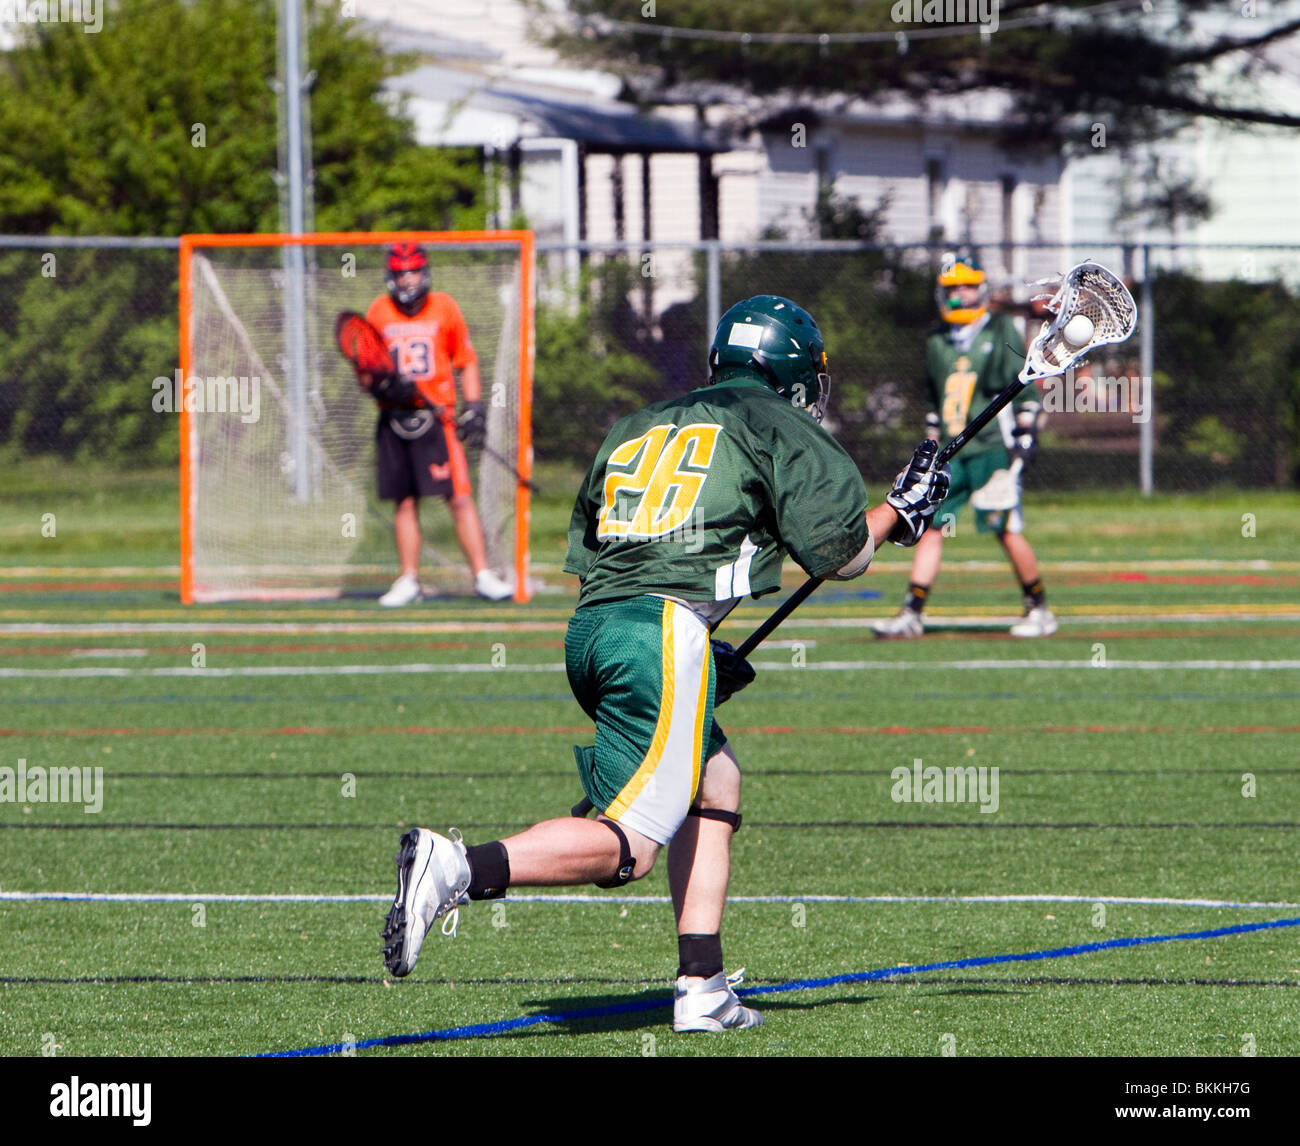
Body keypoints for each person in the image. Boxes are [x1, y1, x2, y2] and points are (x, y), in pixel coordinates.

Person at [379, 296, 950, 1032]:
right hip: (657, 635)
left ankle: (702, 984)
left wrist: (695, 649)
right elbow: (840, 555)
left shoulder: (640, 423)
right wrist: (899, 515)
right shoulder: (777, 421)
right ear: (798, 376)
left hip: (594, 629)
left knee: (716, 777)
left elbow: (628, 555)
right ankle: (456, 866)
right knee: (630, 849)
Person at [873, 250, 1057, 639]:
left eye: (967, 286)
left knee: (1004, 527)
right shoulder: (938, 339)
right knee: (932, 527)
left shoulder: (999, 330)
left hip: (991, 447)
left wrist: (1026, 430)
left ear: (981, 287)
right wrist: (930, 445)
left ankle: (1039, 608)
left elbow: (1022, 388)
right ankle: (912, 613)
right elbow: (933, 401)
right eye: (952, 288)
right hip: (952, 453)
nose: (960, 295)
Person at [365, 242, 513, 605]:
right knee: (404, 502)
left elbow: (466, 359)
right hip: (395, 418)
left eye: (412, 271)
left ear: (424, 271)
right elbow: (367, 369)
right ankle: (409, 579)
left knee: (458, 497)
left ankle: (482, 575)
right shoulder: (379, 312)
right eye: (400, 272)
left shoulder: (444, 307)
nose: (406, 279)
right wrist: (383, 384)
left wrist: (474, 407)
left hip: (436, 420)